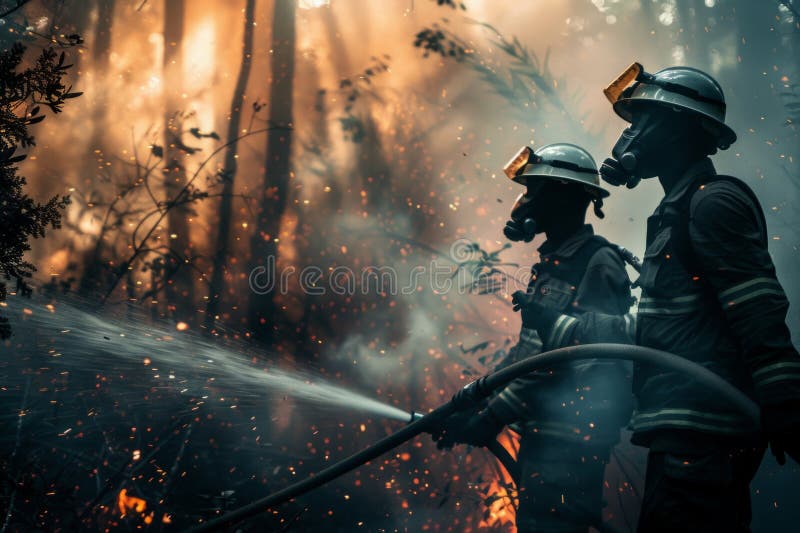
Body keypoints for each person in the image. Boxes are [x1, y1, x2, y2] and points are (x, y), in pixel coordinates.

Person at [516, 64, 800, 532]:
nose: (630, 136)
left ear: (682, 129)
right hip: (682, 434)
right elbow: (656, 333)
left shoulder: (712, 203)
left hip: (705, 435)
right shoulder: (675, 213)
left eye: (643, 121)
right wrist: (560, 323)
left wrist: (785, 399)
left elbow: (757, 308)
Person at [434, 143, 635, 533]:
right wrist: (468, 403)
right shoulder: (553, 262)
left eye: (533, 192)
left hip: (574, 442)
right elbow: (527, 355)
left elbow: (565, 359)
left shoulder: (598, 262)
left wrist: (492, 416)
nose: (524, 202)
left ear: (561, 196)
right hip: (545, 436)